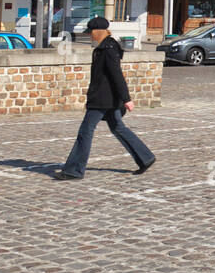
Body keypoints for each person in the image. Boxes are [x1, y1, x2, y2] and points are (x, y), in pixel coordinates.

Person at [55, 16, 156, 180]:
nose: (89, 35)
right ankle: (145, 157)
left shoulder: (108, 49)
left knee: (86, 130)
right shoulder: (104, 48)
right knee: (118, 127)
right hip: (106, 98)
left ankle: (74, 170)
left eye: (91, 32)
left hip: (103, 98)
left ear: (98, 32)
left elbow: (116, 74)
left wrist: (126, 98)